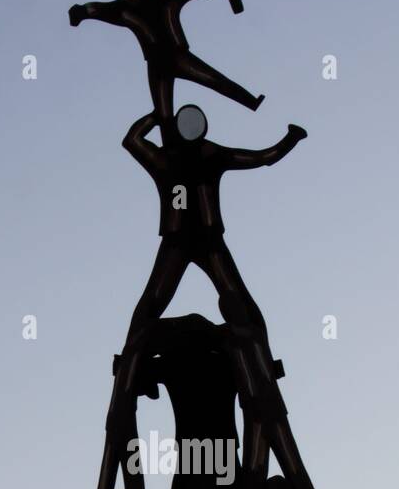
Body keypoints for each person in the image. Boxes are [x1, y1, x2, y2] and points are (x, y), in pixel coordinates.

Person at [121, 105, 306, 347]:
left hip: (206, 240)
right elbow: (131, 141)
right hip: (180, 240)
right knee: (152, 303)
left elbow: (262, 157)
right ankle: (129, 361)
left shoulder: (208, 155)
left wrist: (291, 138)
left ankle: (262, 361)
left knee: (240, 302)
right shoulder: (169, 158)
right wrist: (159, 113)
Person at [69, 0, 263, 125]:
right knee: (164, 114)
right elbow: (101, 8)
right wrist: (83, 11)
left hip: (177, 55)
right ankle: (172, 148)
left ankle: (250, 101)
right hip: (158, 63)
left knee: (215, 80)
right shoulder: (129, 6)